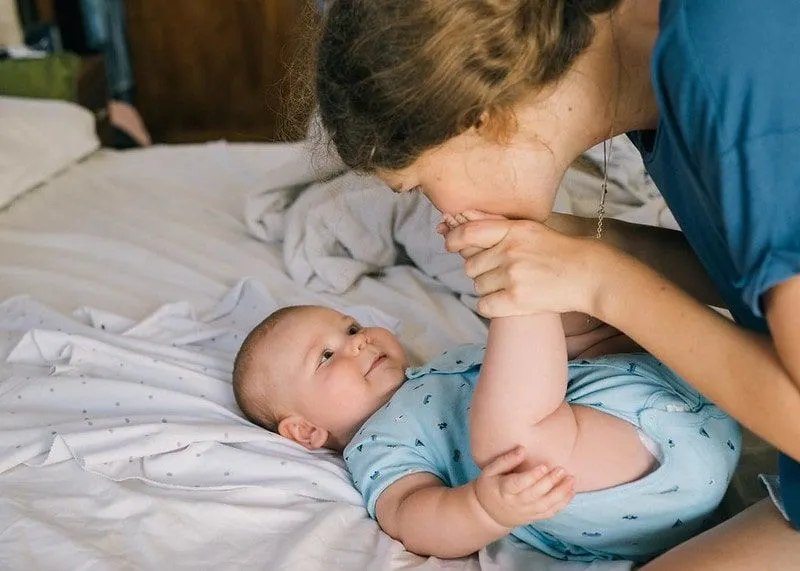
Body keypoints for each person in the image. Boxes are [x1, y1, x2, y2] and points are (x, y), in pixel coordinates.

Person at [312, 1, 800, 567]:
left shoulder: (726, 51)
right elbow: (754, 276)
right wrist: (597, 248)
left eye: (418, 185)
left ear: (480, 117)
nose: (438, 209)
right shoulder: (660, 90)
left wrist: (604, 283)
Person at [232, 247, 740, 563]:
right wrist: (484, 507)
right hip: (630, 480)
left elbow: (562, 362)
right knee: (515, 441)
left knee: (566, 324)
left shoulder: (441, 364)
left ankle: (562, 280)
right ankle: (522, 286)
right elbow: (411, 516)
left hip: (687, 397)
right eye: (326, 356)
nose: (358, 342)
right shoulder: (375, 446)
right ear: (305, 432)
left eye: (351, 327)